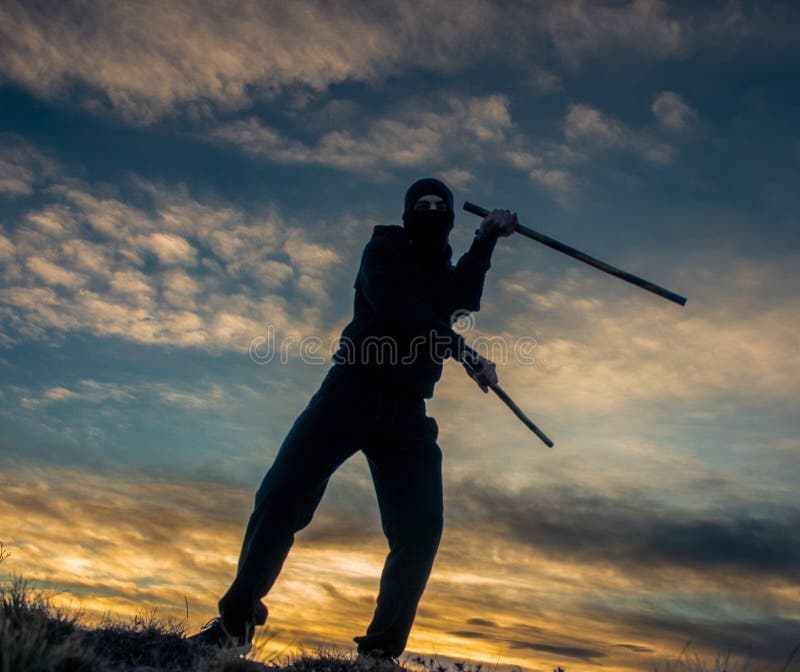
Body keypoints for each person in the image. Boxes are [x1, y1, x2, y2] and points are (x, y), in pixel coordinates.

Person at [189, 178, 517, 664]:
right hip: (349, 392)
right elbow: (395, 306)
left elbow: (460, 300)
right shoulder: (382, 249)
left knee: (421, 529)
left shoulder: (444, 272)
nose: (430, 211)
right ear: (407, 214)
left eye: (439, 206)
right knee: (281, 496)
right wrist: (464, 352)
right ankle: (234, 627)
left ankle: (380, 655)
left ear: (449, 217)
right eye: (421, 205)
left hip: (407, 411)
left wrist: (486, 237)